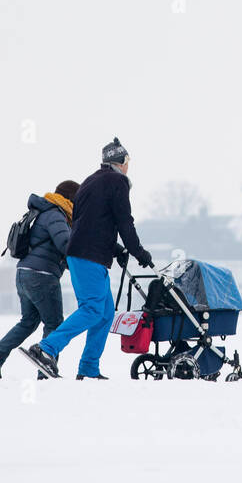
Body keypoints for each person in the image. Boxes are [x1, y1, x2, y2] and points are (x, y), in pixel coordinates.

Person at [26, 138, 152, 379]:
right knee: (93, 309)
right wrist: (138, 251)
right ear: (122, 162)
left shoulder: (89, 182)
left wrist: (117, 250)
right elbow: (125, 222)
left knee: (104, 313)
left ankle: (88, 368)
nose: (129, 167)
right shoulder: (118, 182)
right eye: (128, 161)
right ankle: (46, 349)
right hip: (89, 257)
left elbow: (91, 224)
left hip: (86, 254)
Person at [0, 180, 79, 379]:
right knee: (54, 324)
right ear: (70, 199)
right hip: (42, 276)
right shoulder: (56, 215)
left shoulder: (43, 212)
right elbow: (66, 244)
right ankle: (45, 369)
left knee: (28, 321)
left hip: (23, 273)